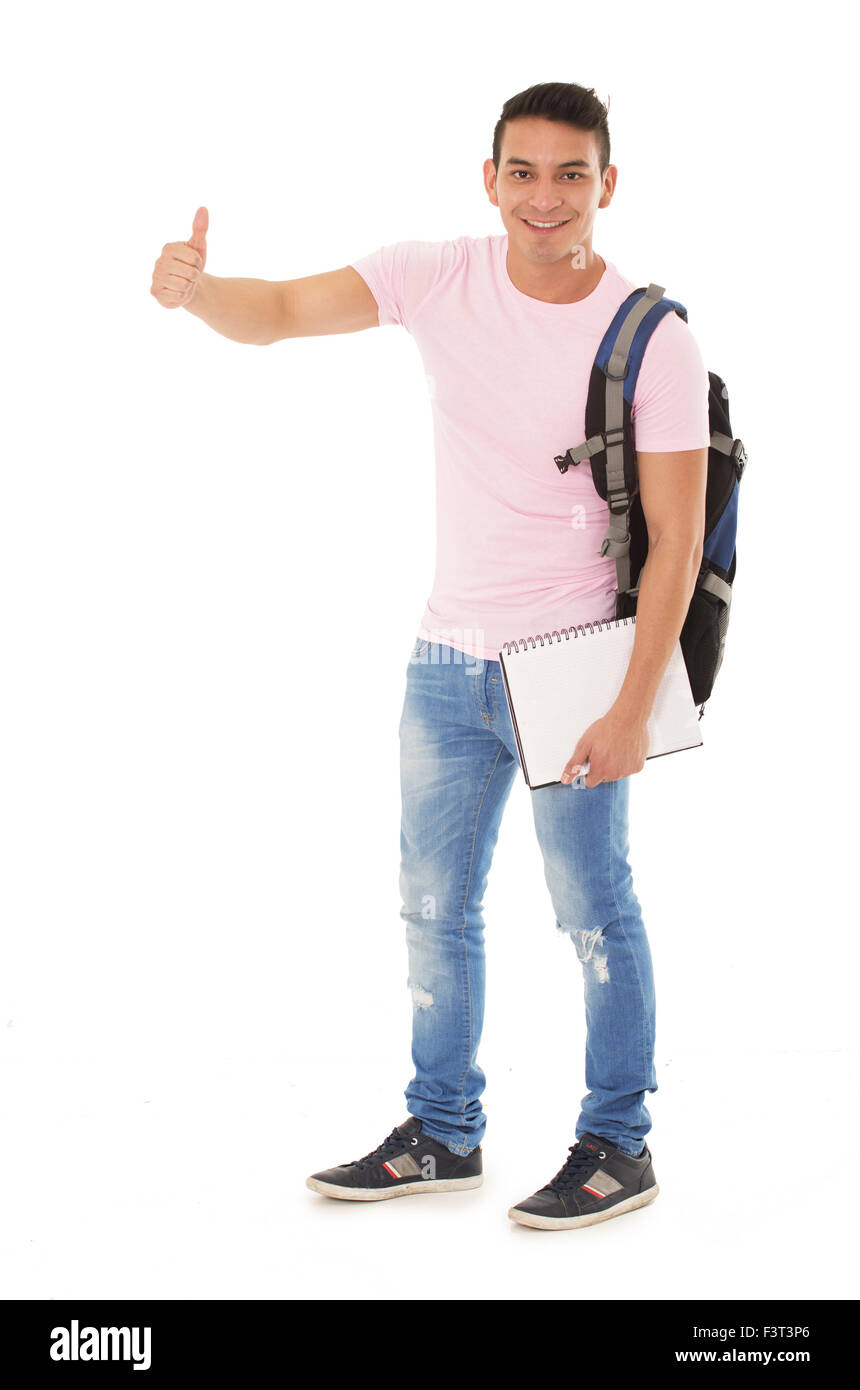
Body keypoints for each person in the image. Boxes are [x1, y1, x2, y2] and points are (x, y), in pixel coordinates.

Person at [151, 81, 709, 1232]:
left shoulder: (653, 335)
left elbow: (676, 547)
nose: (543, 197)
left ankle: (618, 1141)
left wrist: (630, 704)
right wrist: (202, 294)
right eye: (521, 172)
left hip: (573, 670)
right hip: (444, 659)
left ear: (605, 186)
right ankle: (444, 1130)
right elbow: (284, 312)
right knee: (431, 907)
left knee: (592, 909)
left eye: (568, 175)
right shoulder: (436, 275)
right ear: (489, 179)